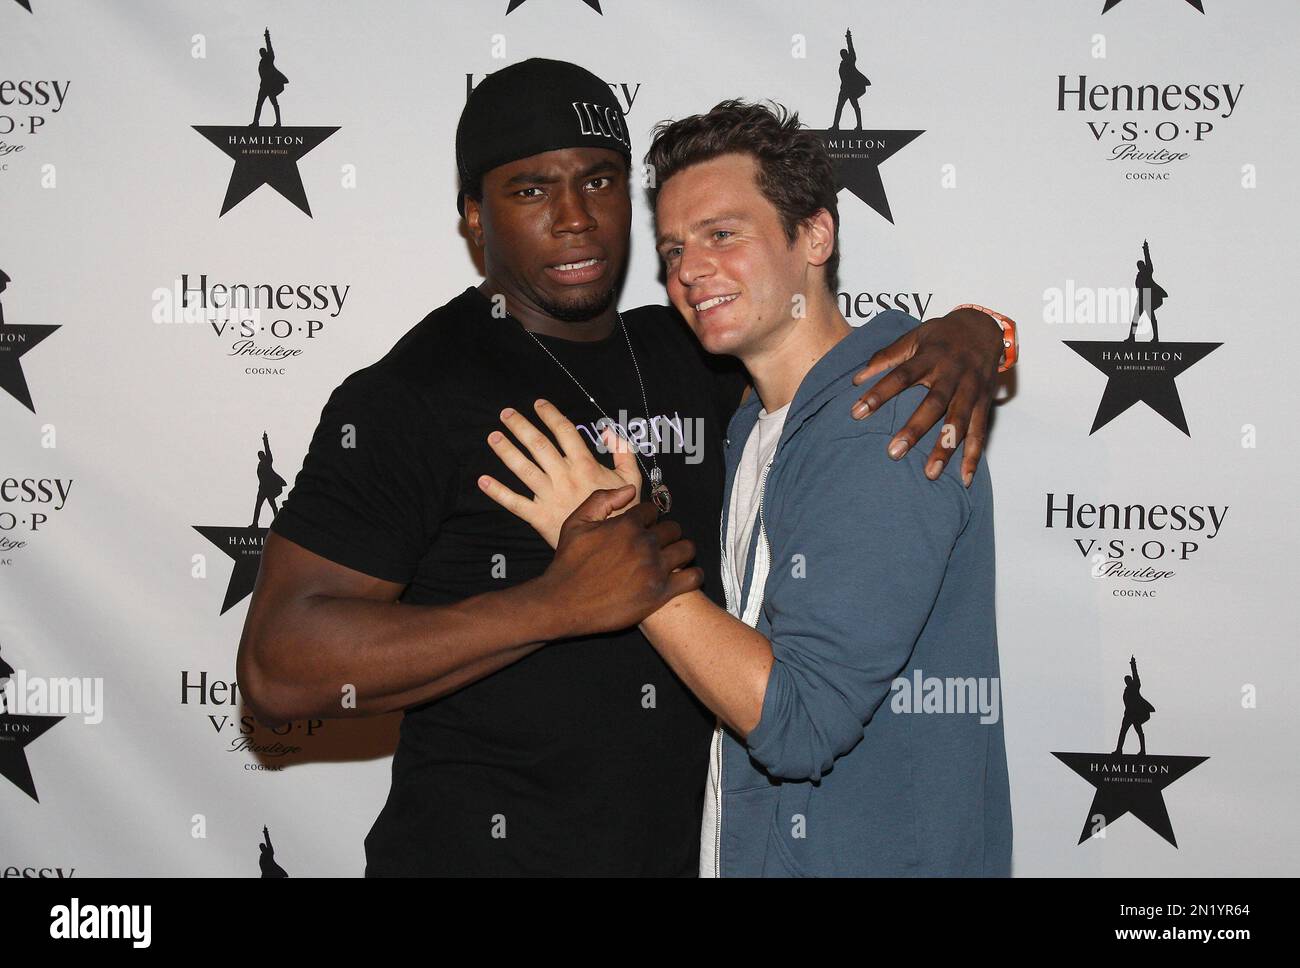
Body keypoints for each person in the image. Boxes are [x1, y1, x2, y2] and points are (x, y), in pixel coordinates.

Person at [237, 59, 1013, 876]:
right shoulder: (412, 395)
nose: (574, 218)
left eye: (599, 182)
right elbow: (277, 670)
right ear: (474, 216)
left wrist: (974, 330)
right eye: (531, 191)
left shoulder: (697, 354)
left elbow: (815, 349)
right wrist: (552, 603)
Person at [480, 99, 1012, 876]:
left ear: (816, 237)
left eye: (723, 234)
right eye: (672, 248)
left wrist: (618, 559)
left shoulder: (881, 426)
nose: (690, 270)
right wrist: (983, 326)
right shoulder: (750, 421)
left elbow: (799, 724)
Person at [1125, 239, 1166, 342]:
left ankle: (1156, 337)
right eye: (1138, 266)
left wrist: (1146, 249)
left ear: (1143, 265)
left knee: (1151, 318)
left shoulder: (1148, 271)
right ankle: (1132, 337)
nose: (1140, 267)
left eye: (1141, 265)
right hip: (1141, 298)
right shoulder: (1138, 276)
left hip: (1148, 297)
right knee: (1136, 318)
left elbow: (1148, 259)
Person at [1114, 655, 1155, 756]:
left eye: (1128, 680)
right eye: (1125, 681)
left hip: (1137, 714)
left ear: (1131, 680)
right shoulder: (1126, 690)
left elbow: (1135, 673)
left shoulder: (1135, 685)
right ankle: (1119, 750)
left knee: (1139, 731)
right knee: (1123, 732)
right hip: (1128, 714)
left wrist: (1133, 664)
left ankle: (1143, 751)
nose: (1127, 682)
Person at [832, 28, 870, 131]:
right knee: (839, 107)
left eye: (844, 54)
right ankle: (835, 125)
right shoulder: (842, 64)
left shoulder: (851, 59)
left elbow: (850, 47)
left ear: (847, 54)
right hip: (844, 88)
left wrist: (848, 37)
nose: (843, 55)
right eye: (841, 54)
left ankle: (859, 126)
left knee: (855, 107)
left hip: (852, 88)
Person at [251, 28, 288, 128]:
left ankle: (278, 122)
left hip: (271, 85)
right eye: (260, 52)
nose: (261, 53)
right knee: (259, 104)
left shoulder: (270, 57)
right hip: (264, 86)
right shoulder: (261, 62)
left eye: (262, 52)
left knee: (274, 103)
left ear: (265, 52)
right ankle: (255, 122)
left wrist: (267, 37)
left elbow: (269, 46)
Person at [250, 431, 286, 528]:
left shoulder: (268, 460)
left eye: (261, 454)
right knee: (258, 506)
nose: (260, 456)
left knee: (273, 506)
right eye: (259, 455)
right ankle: (255, 523)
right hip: (262, 488)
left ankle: (278, 523)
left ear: (264, 455)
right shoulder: (260, 465)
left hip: (269, 488)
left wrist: (265, 440)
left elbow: (267, 449)